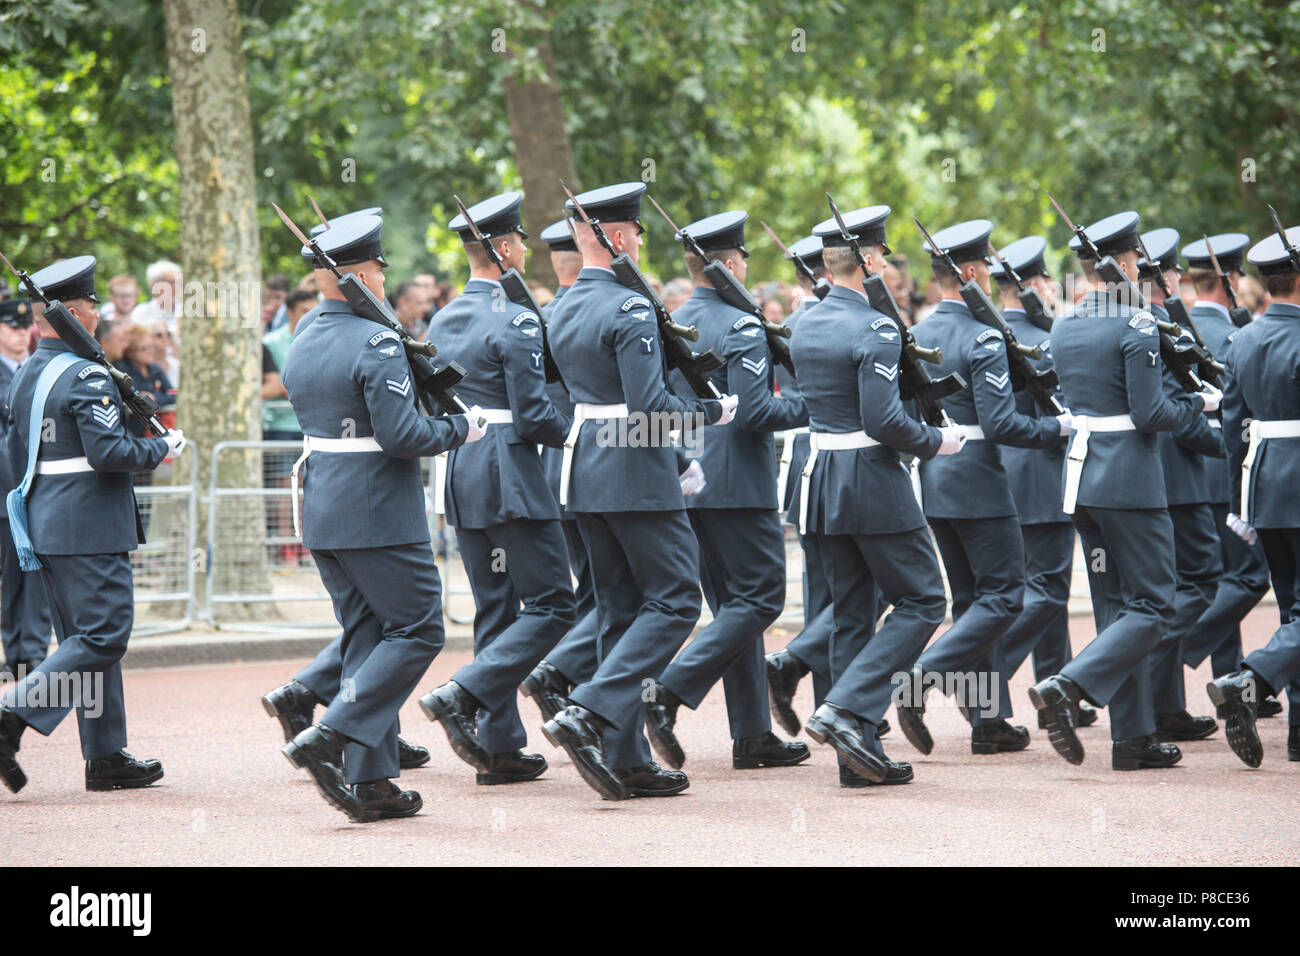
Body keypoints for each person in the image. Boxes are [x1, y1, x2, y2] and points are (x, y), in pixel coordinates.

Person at [277, 213, 484, 822]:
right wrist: (458, 428)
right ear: (364, 273)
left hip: (323, 504)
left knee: (368, 634)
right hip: (375, 508)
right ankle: (331, 736)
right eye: (377, 271)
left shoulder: (308, 329)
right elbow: (400, 436)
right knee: (419, 629)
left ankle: (371, 782)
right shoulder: (376, 339)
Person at [542, 181, 736, 800]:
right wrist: (713, 412)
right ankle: (591, 709)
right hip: (633, 468)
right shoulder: (629, 308)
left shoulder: (563, 305)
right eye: (636, 233)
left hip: (586, 469)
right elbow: (650, 405)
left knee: (618, 609)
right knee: (678, 600)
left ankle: (623, 756)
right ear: (620, 237)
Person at [1029, 211, 1217, 771]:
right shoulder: (1134, 322)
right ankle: (1071, 683)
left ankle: (1131, 739)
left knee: (1117, 606)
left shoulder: (1064, 322)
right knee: (1156, 601)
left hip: (1083, 480)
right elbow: (1150, 412)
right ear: (1129, 262)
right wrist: (1202, 403)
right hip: (1129, 482)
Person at [791, 204, 964, 786]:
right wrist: (937, 440)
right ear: (866, 260)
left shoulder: (806, 321)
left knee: (850, 615)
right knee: (922, 601)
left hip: (822, 479)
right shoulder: (875, 325)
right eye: (881, 257)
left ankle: (855, 756)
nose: (886, 267)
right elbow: (884, 419)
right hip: (871, 476)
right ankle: (848, 709)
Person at [0, 255, 186, 794]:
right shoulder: (86, 373)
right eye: (92, 308)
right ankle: (12, 716)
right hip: (87, 523)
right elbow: (108, 453)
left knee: (85, 639)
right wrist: (160, 447)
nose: (99, 317)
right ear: (77, 313)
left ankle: (105, 755)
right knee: (105, 635)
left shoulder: (32, 368)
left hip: (48, 520)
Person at [416, 191, 576, 786]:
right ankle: (465, 694)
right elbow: (535, 416)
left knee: (496, 607)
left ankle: (501, 746)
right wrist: (580, 435)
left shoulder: (443, 317)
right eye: (520, 245)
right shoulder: (516, 317)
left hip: (464, 471)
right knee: (556, 602)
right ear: (505, 248)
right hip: (511, 471)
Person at [643, 210, 810, 771]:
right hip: (740, 482)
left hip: (693, 479)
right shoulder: (743, 325)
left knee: (733, 607)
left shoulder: (675, 318)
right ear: (732, 264)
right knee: (762, 598)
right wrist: (817, 407)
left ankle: (752, 733)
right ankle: (668, 689)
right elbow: (756, 411)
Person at [903, 219, 1068, 756]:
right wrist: (1057, 429)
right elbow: (1001, 425)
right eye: (988, 273)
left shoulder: (918, 331)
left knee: (972, 600)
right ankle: (924, 675)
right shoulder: (983, 334)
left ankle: (989, 720)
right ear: (971, 273)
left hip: (936, 479)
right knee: (1004, 597)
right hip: (979, 480)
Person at [987, 236, 1097, 729]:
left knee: (1042, 586)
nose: (1055, 286)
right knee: (1050, 589)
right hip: (1043, 474)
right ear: (1032, 284)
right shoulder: (1045, 338)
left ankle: (1058, 692)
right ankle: (988, 670)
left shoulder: (988, 331)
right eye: (1049, 278)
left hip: (1007, 474)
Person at [1169, 234, 1276, 712]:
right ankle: (1181, 648)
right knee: (1248, 577)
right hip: (1230, 471)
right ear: (1232, 281)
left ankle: (1234, 686)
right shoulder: (1238, 335)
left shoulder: (1177, 332)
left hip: (1193, 475)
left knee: (1221, 579)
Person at [1210, 221, 1300, 766]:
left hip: (1263, 485)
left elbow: (1231, 431)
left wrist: (1237, 504)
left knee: (1293, 609)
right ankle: (1251, 680)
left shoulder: (1242, 339)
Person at [521, 220, 602, 721]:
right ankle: (570, 681)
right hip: (598, 466)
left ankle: (581, 693)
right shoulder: (593, 313)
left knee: (594, 589)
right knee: (611, 594)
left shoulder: (545, 316)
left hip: (557, 471)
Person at [0, 299, 52, 679]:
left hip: (29, 486)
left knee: (34, 574)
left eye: (24, 327)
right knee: (15, 575)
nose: (20, 332)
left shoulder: (34, 370)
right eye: (11, 326)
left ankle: (30, 650)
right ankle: (17, 649)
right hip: (8, 489)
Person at [114, 325, 175, 438]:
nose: (150, 351)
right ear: (131, 352)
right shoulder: (123, 370)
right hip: (132, 431)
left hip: (154, 428)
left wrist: (155, 398)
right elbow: (136, 400)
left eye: (151, 347)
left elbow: (173, 394)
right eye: (144, 348)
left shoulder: (155, 368)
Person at [130, 260, 181, 336]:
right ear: (154, 285)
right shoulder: (141, 313)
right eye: (170, 282)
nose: (176, 287)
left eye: (178, 282)